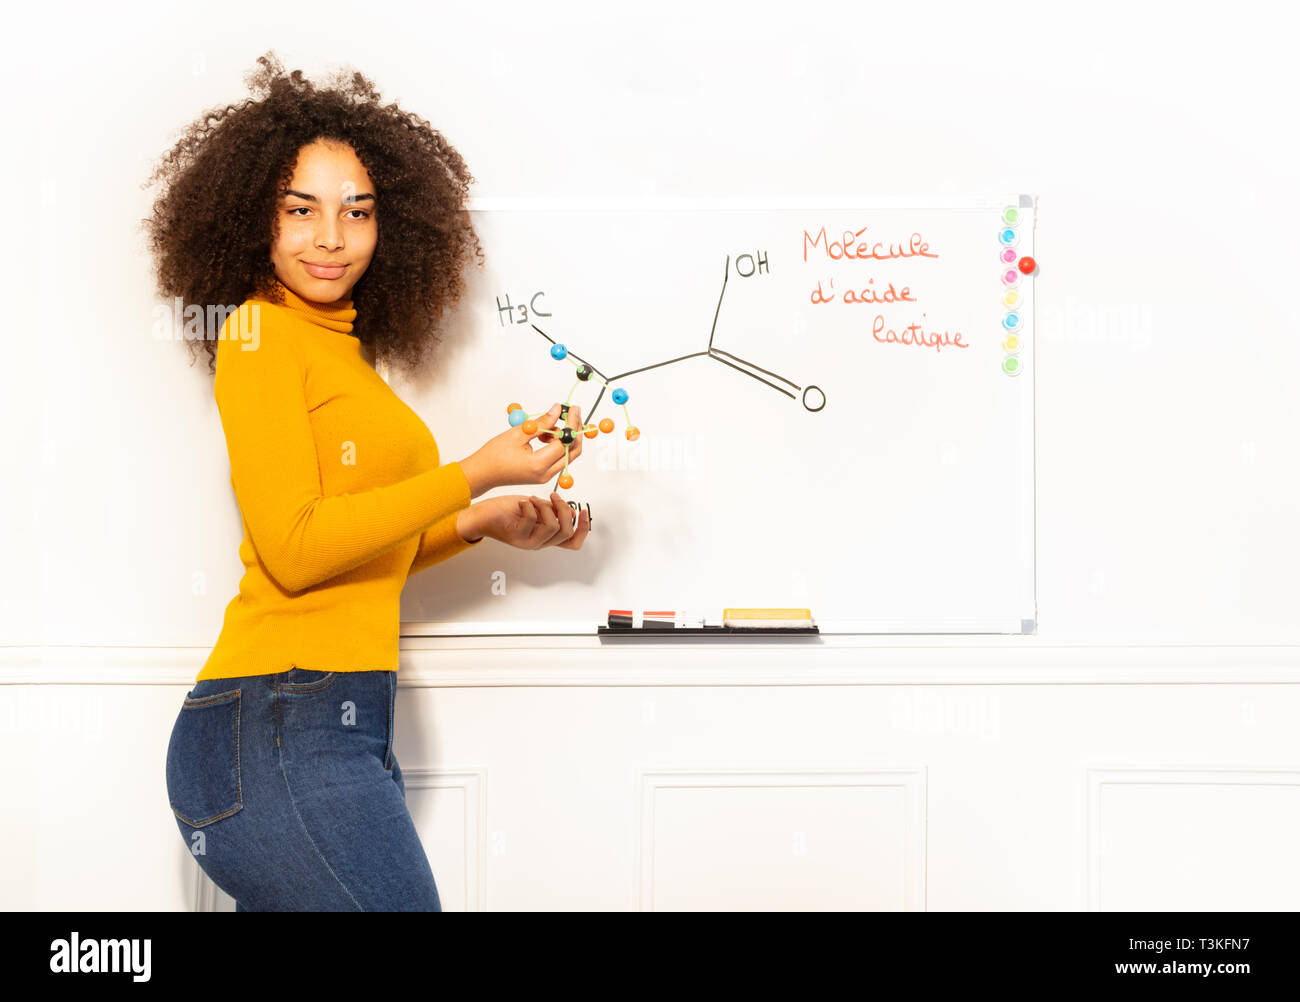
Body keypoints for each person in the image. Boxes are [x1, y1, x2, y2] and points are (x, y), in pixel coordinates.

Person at [146, 52, 590, 911]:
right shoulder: (256, 333)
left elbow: (354, 548)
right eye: (301, 210)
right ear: (253, 218)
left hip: (326, 724)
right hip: (273, 724)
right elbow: (297, 549)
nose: (333, 237)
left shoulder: (343, 354)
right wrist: (471, 473)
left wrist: (481, 520)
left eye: (358, 211)